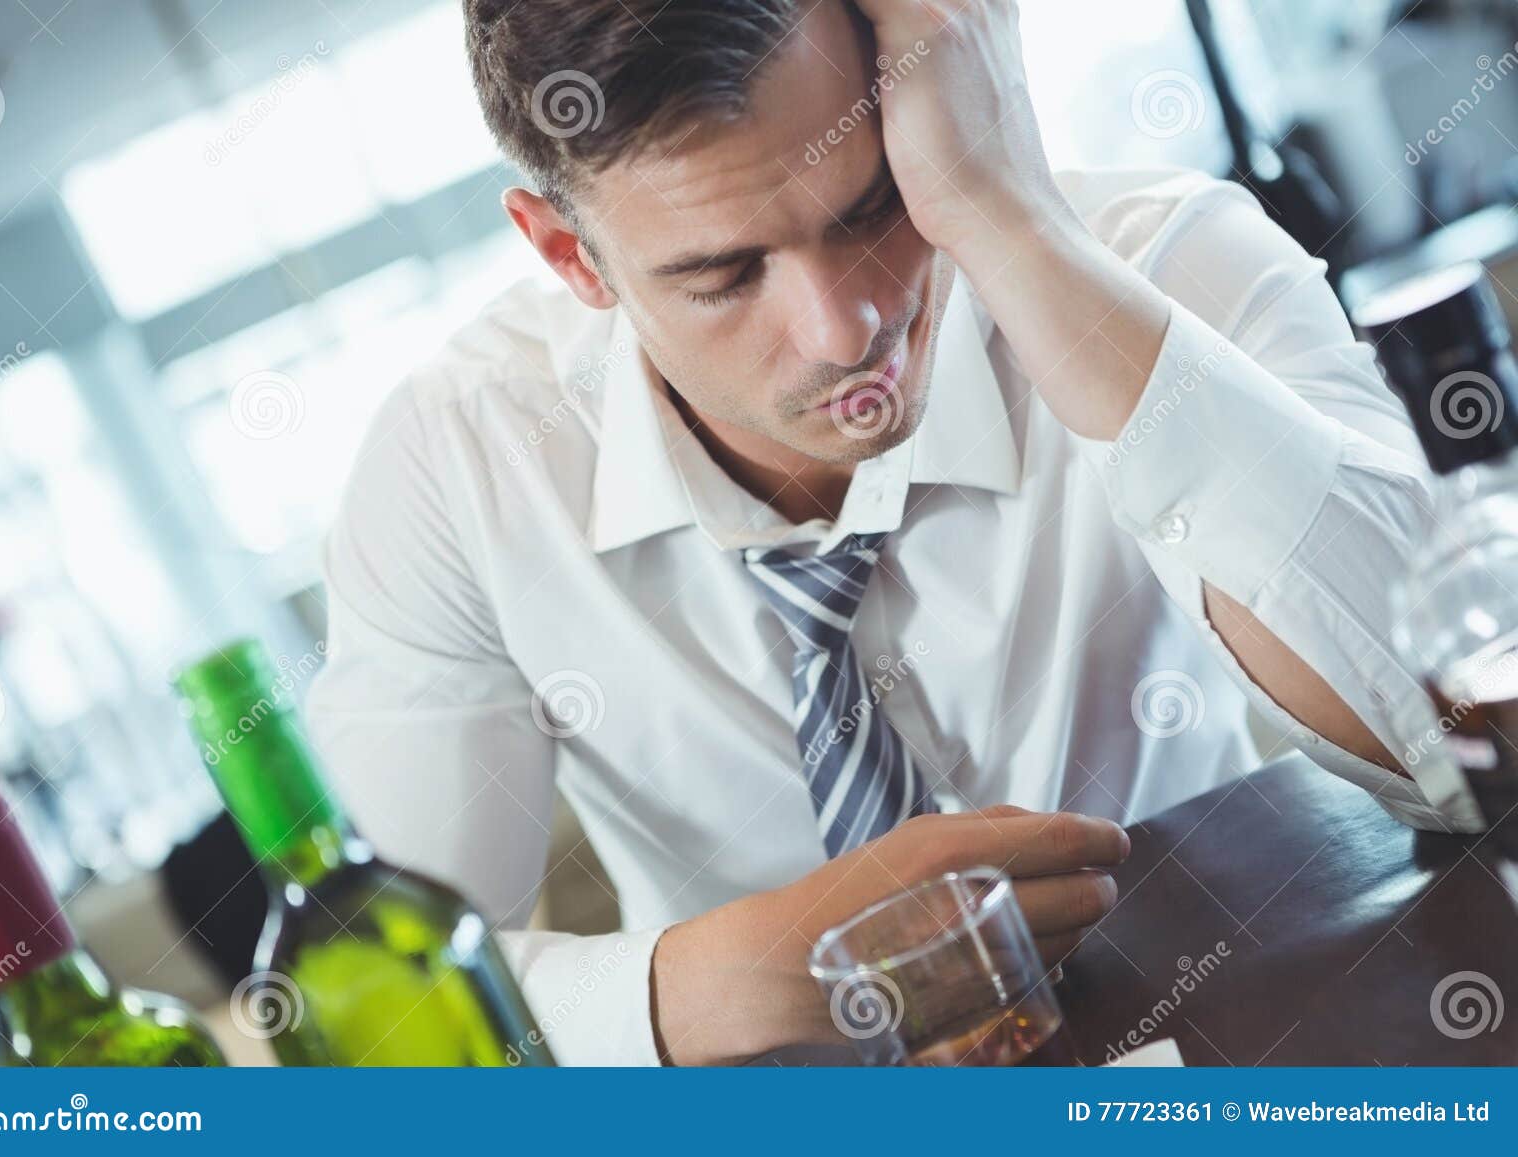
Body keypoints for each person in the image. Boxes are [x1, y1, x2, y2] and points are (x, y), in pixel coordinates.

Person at [306, 0, 1476, 1065]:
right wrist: (734, 976)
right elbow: (383, 1013)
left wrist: (1002, 218)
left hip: (1255, 1033)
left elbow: (1457, 747)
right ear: (570, 255)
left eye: (873, 205)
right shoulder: (455, 467)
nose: (844, 325)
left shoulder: (1156, 262)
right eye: (724, 274)